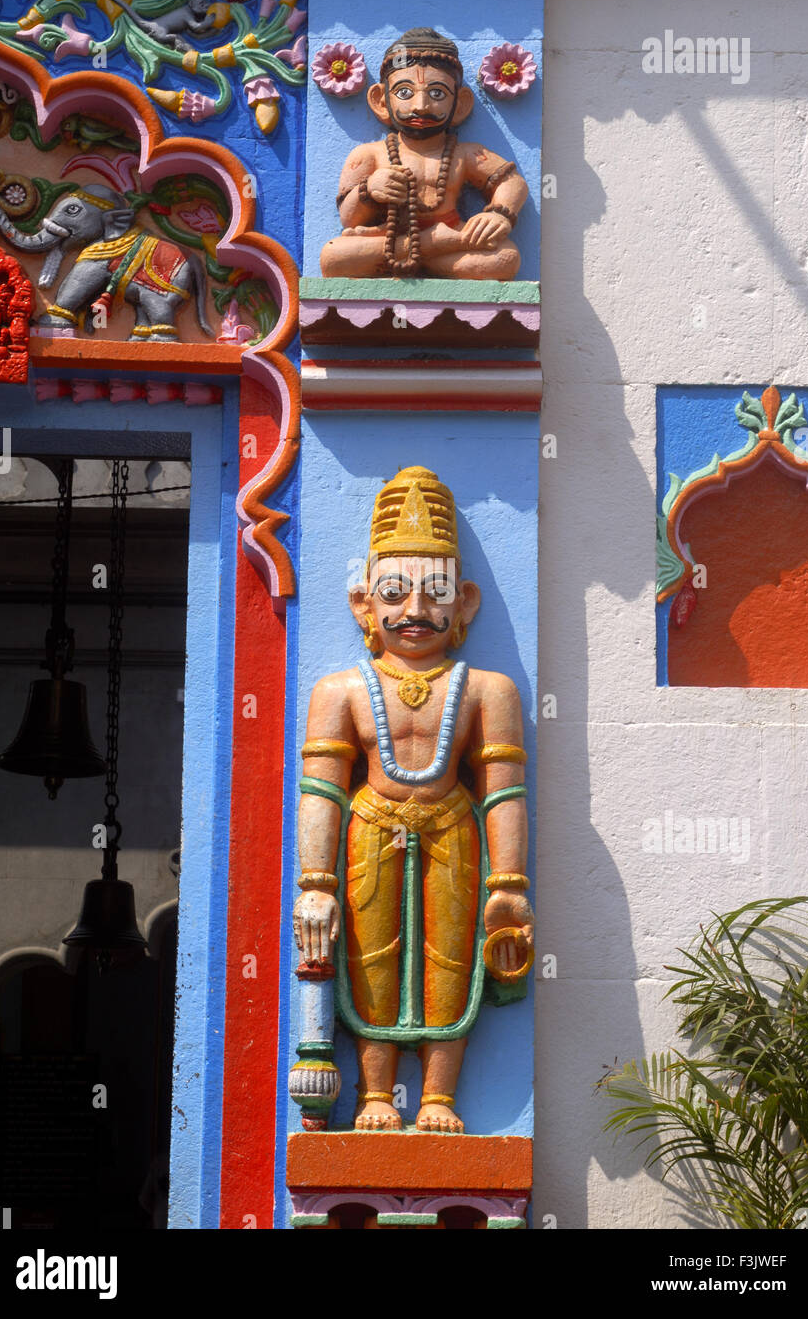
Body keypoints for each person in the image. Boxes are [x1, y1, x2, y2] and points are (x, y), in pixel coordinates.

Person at [294, 466, 534, 1133]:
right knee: (369, 959)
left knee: (450, 959)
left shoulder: (488, 691)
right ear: (362, 604)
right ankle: (375, 1094)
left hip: (453, 830)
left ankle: (436, 1098)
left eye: (436, 593)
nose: (415, 611)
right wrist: (315, 884)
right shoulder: (339, 692)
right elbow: (322, 791)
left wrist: (508, 886)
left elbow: (504, 792)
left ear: (466, 604)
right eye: (394, 593)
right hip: (370, 829)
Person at [320, 28, 528, 280]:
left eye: (437, 93)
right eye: (404, 93)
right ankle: (431, 247)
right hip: (397, 238)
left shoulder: (464, 153)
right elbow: (349, 219)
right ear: (381, 101)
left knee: (506, 258)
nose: (421, 106)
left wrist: (500, 214)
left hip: (446, 234)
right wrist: (370, 190)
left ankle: (419, 256)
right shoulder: (369, 154)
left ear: (460, 104)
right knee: (333, 255)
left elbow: (511, 181)